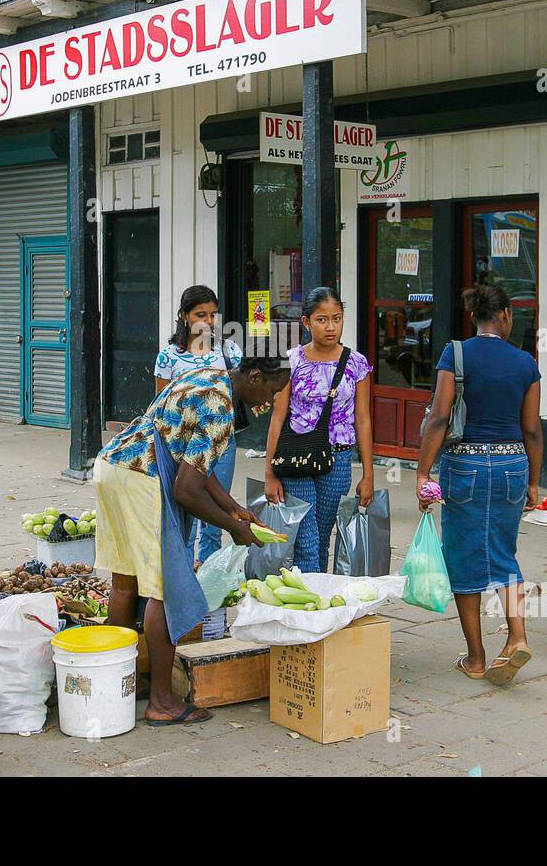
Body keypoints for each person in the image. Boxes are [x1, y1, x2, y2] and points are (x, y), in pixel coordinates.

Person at [97, 356, 291, 726]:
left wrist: (233, 508)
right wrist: (234, 529)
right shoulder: (221, 410)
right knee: (164, 590)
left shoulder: (209, 377)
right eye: (272, 390)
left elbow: (193, 464)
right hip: (144, 479)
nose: (270, 401)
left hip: (114, 466)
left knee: (124, 581)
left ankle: (122, 679)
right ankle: (162, 702)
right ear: (253, 377)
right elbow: (186, 490)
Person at [415, 284, 543, 686]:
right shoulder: (525, 363)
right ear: (505, 314)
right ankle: (517, 637)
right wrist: (534, 482)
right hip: (511, 465)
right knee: (504, 551)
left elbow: (439, 416)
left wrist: (422, 472)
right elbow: (533, 429)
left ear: (475, 316)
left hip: (465, 465)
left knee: (464, 557)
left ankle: (475, 658)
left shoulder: (455, 354)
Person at [263, 288, 374, 572]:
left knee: (322, 535)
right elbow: (277, 417)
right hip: (296, 457)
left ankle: (317, 601)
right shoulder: (291, 361)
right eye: (322, 319)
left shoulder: (356, 363)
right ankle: (308, 601)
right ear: (306, 323)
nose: (331, 327)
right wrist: (269, 473)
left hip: (337, 460)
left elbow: (362, 419)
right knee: (306, 538)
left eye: (337, 319)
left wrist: (369, 474)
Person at [154, 285, 242, 562]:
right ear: (184, 316)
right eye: (200, 314)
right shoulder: (168, 357)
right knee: (186, 516)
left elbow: (240, 391)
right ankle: (184, 578)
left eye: (213, 315)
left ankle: (209, 581)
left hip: (221, 444)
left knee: (216, 515)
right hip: (180, 447)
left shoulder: (228, 350)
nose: (208, 321)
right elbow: (160, 407)